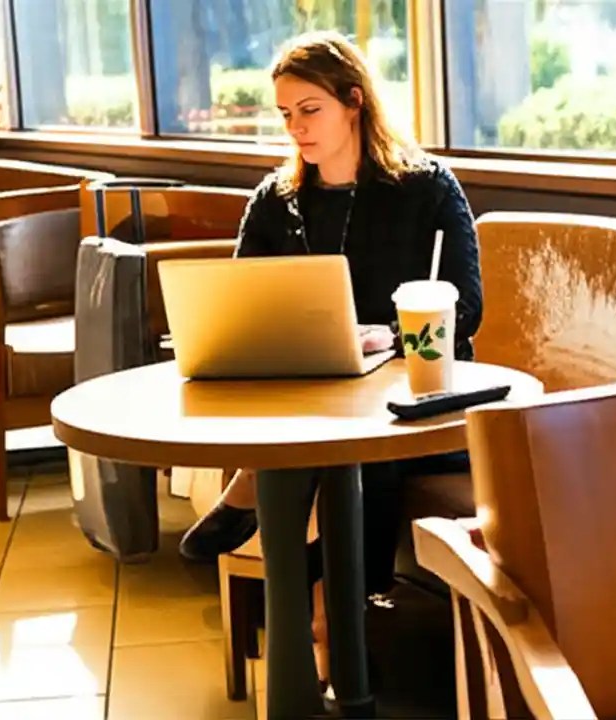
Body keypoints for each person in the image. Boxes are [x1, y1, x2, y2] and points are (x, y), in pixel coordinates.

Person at [176, 30, 483, 685]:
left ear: (354, 102)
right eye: (285, 114)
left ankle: (275, 537)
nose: (296, 128)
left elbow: (467, 312)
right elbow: (240, 302)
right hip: (309, 395)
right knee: (326, 433)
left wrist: (386, 336)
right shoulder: (276, 200)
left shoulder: (427, 189)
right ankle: (328, 631)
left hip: (415, 404)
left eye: (309, 110)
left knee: (360, 445)